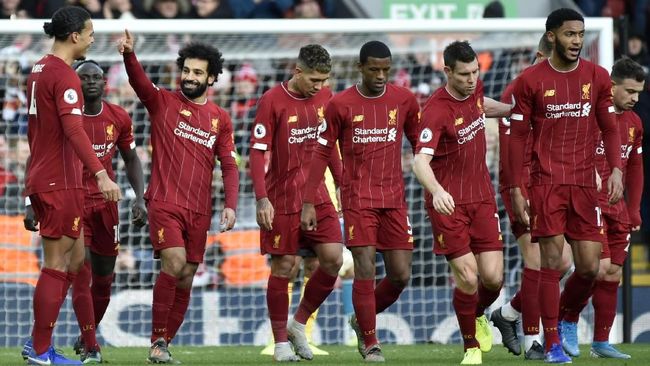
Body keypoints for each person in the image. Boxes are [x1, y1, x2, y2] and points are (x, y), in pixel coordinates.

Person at [508, 8, 624, 363]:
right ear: (552, 36)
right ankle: (553, 342)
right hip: (546, 183)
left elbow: (609, 126)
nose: (576, 41)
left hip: (584, 184)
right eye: (570, 34)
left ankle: (567, 318)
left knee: (590, 267)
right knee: (552, 261)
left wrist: (616, 168)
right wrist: (516, 188)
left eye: (580, 34)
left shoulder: (597, 76)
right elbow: (516, 138)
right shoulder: (530, 81)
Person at [118, 30, 239, 364]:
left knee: (186, 275)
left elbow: (229, 164)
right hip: (164, 203)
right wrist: (130, 55)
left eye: (198, 72)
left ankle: (163, 345)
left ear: (211, 78)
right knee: (173, 262)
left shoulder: (220, 119)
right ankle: (157, 340)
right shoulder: (164, 103)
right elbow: (140, 82)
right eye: (186, 70)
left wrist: (230, 204)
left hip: (200, 210)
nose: (189, 76)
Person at [301, 40, 419, 362]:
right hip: (358, 198)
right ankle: (371, 342)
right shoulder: (340, 104)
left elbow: (422, 142)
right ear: (360, 67)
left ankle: (360, 320)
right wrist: (309, 200)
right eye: (374, 69)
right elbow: (321, 151)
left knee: (400, 275)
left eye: (385, 70)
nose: (380, 75)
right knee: (364, 267)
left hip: (394, 198)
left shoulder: (404, 100)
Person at [21, 6, 121, 366]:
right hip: (60, 180)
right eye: (90, 32)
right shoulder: (65, 77)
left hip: (47, 176)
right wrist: (101, 174)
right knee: (57, 263)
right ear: (75, 35)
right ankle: (41, 350)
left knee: (78, 261)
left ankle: (61, 343)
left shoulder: (38, 69)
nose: (94, 38)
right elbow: (74, 130)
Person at [412, 40, 512, 365]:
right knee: (468, 277)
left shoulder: (476, 90)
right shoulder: (436, 112)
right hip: (449, 204)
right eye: (464, 74)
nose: (471, 79)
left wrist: (512, 110)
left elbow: (484, 105)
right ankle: (470, 346)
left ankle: (479, 313)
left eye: (475, 72)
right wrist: (438, 191)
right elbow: (419, 162)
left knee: (494, 279)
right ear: (447, 72)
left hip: (482, 198)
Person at [250, 44, 343, 362]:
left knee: (333, 259)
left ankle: (298, 324)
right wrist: (261, 198)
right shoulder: (271, 100)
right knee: (285, 267)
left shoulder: (326, 97)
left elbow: (328, 145)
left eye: (324, 80)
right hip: (282, 197)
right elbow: (257, 151)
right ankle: (279, 343)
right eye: (315, 80)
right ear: (297, 71)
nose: (320, 86)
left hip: (318, 196)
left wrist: (342, 184)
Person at [489, 35, 572, 360]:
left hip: (551, 183)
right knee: (537, 260)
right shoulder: (518, 91)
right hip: (521, 185)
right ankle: (532, 341)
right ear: (541, 55)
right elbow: (511, 150)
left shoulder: (560, 89)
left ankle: (507, 315)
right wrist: (517, 191)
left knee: (562, 262)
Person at [556, 57, 644, 360]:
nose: (634, 98)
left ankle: (600, 342)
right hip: (588, 203)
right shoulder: (592, 114)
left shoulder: (634, 124)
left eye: (639, 93)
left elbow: (635, 167)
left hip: (618, 208)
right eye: (629, 91)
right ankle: (565, 319)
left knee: (613, 273)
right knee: (597, 267)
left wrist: (634, 209)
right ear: (613, 85)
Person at [63, 60, 146, 363]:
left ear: (105, 83)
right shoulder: (65, 116)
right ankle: (92, 346)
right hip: (73, 202)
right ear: (75, 83)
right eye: (85, 78)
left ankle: (88, 333)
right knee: (80, 272)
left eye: (96, 77)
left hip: (106, 204)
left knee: (103, 278)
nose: (92, 82)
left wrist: (140, 197)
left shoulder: (119, 116)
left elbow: (131, 158)